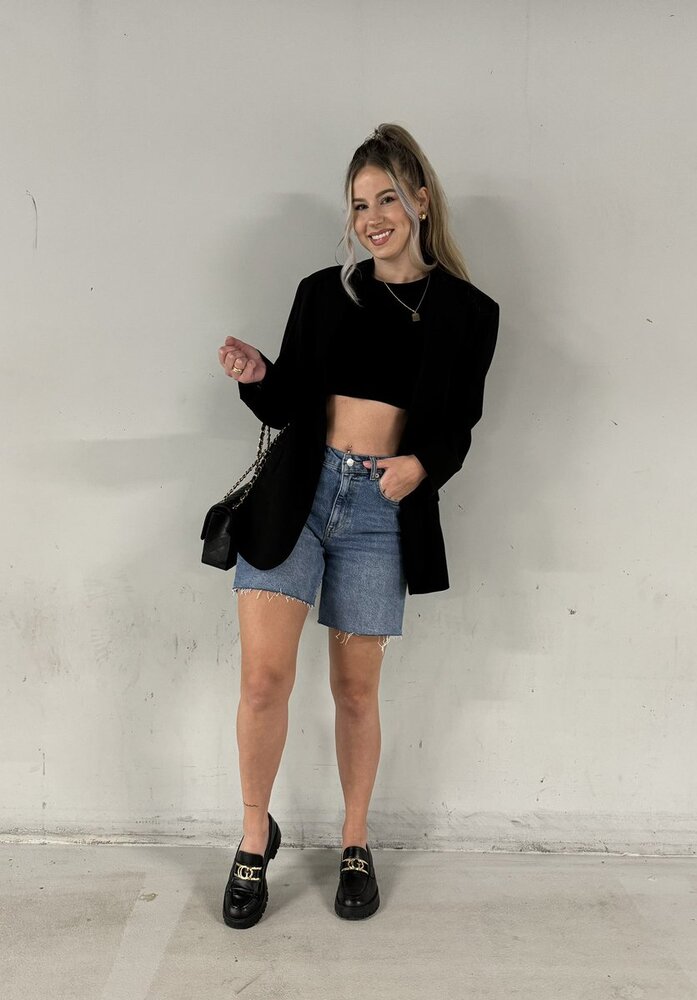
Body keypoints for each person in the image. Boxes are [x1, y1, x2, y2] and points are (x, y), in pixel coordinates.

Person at [216, 123, 499, 928]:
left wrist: (422, 466)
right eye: (358, 205)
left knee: (354, 690)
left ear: (420, 201)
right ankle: (252, 837)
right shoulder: (321, 293)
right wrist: (257, 376)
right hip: (298, 498)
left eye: (385, 199)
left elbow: (459, 424)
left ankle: (353, 841)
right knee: (263, 681)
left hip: (379, 511)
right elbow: (285, 405)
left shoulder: (469, 312)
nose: (371, 218)